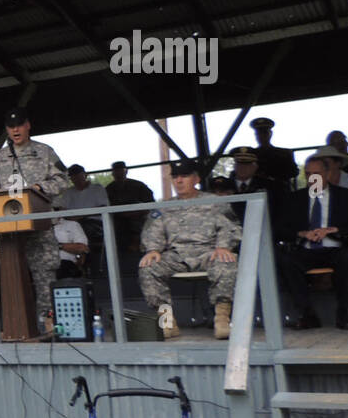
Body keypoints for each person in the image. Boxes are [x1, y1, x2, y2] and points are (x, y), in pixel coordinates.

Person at [137, 161, 240, 340]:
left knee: (227, 260)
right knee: (148, 267)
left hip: (209, 252)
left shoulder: (215, 202)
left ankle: (222, 319)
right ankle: (167, 322)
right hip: (177, 255)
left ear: (196, 179)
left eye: (184, 176)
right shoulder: (164, 207)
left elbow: (232, 227)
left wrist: (223, 246)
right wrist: (153, 249)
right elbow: (152, 230)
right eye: (175, 177)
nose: (179, 181)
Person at [0, 108, 70, 312]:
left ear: (28, 125)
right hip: (11, 229)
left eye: (19, 125)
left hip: (40, 225)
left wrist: (40, 189)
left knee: (44, 275)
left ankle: (47, 324)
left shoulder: (44, 151)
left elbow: (62, 179)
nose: (15, 130)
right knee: (13, 279)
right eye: (11, 127)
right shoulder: (0, 157)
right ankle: (18, 327)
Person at [275, 151, 348, 330]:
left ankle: (343, 312)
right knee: (285, 260)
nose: (312, 178)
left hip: (337, 247)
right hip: (307, 248)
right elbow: (278, 229)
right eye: (308, 174)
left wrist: (336, 230)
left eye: (316, 173)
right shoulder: (294, 199)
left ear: (327, 174)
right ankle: (307, 313)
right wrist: (301, 233)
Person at [106, 161, 155, 253]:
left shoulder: (139, 185)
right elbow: (106, 206)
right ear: (112, 173)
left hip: (138, 218)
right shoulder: (109, 188)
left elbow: (150, 204)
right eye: (116, 171)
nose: (118, 173)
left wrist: (137, 213)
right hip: (117, 220)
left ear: (126, 171)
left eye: (121, 170)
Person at [251, 116, 298, 191]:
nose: (262, 136)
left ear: (270, 134)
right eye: (259, 134)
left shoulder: (284, 153)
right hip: (257, 191)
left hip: (280, 191)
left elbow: (294, 172)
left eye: (265, 133)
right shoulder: (251, 154)